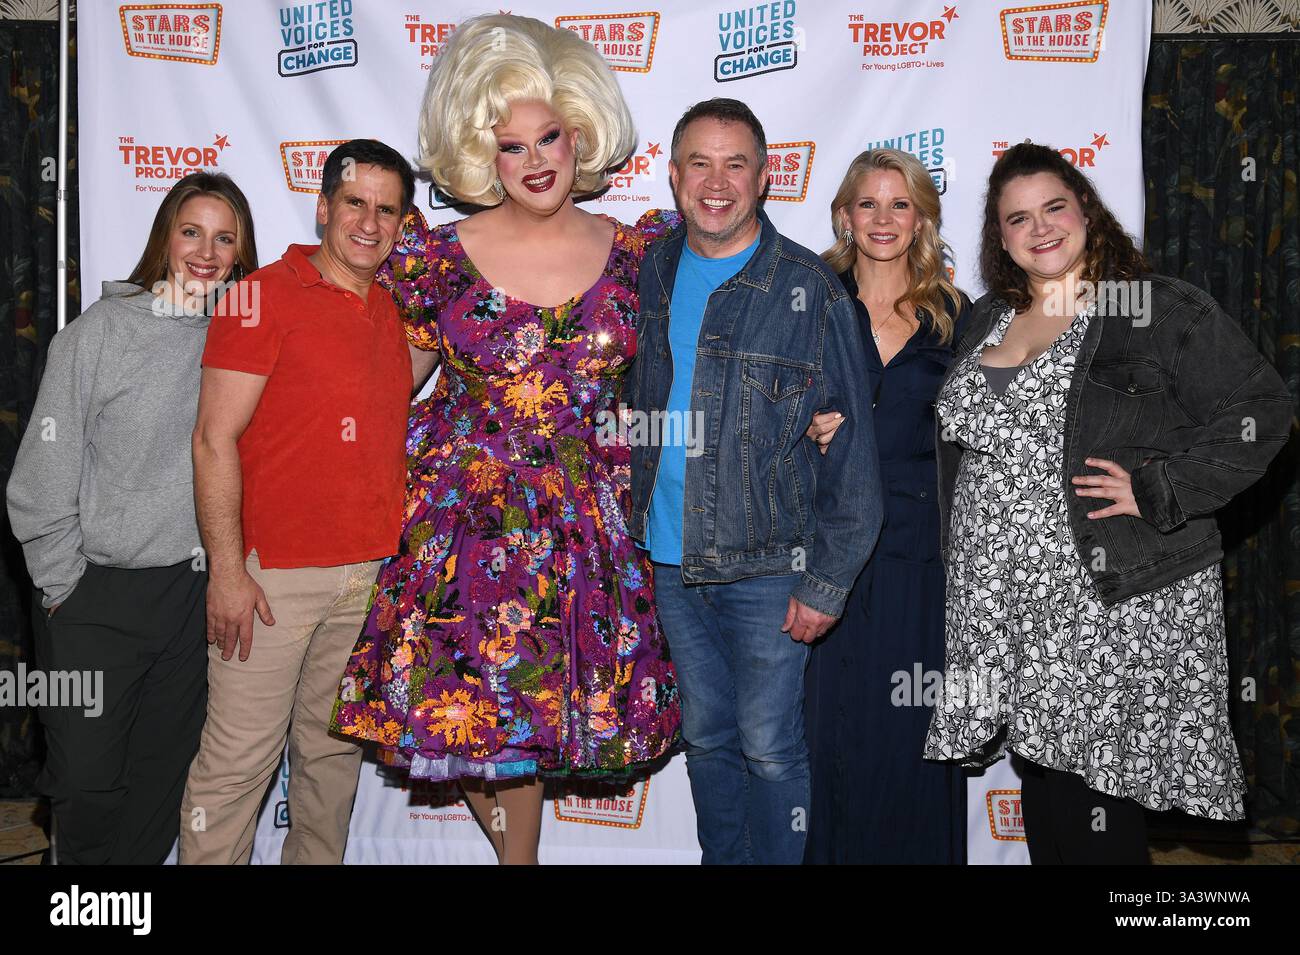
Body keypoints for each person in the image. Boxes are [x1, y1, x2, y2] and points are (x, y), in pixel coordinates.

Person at [329, 14, 681, 866]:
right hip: (465, 528)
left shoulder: (643, 257)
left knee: (528, 721)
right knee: (481, 712)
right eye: (511, 145)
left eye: (549, 137)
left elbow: (701, 362)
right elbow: (385, 386)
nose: (535, 161)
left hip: (589, 525)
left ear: (579, 132)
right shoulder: (439, 259)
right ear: (483, 154)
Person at [923, 142, 1292, 864]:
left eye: (1054, 207)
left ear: (1086, 210)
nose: (1040, 229)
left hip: (1103, 597)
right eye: (1018, 218)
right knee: (1045, 776)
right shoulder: (989, 319)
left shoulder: (1151, 307)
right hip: (1006, 606)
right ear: (1000, 237)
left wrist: (1161, 486)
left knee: (1096, 792)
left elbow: (1263, 409)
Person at [626, 98, 882, 865]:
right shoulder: (650, 271)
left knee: (771, 749)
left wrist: (828, 581)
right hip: (669, 561)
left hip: (771, 568)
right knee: (706, 741)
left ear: (765, 177)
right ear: (672, 176)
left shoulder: (810, 290)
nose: (716, 181)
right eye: (699, 163)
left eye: (735, 162)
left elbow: (855, 459)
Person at [179, 140, 418, 865]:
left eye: (387, 210)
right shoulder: (262, 295)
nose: (369, 223)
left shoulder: (400, 309)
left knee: (329, 766)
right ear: (322, 206)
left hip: (366, 576)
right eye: (354, 203)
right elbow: (212, 439)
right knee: (234, 768)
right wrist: (227, 569)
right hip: (271, 579)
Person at [8, 172, 257, 864]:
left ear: (241, 254)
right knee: (87, 789)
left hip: (190, 600)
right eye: (190, 232)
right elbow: (38, 480)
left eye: (224, 238)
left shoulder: (240, 341)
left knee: (159, 788)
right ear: (164, 240)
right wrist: (63, 588)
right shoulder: (97, 337)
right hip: (95, 600)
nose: (205, 252)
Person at [802, 148, 969, 864]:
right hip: (824, 552)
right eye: (867, 203)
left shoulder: (956, 317)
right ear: (844, 214)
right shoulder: (806, 301)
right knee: (828, 736)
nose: (882, 218)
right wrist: (800, 426)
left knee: (913, 739)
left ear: (922, 218)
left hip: (919, 556)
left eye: (899, 204)